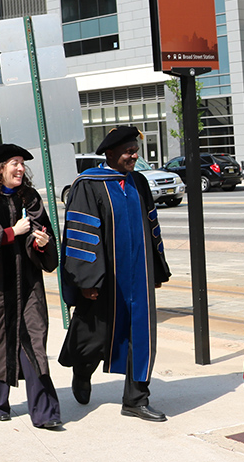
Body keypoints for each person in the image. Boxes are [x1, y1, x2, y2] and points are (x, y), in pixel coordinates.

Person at [58, 125, 171, 422]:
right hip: (104, 279)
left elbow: (152, 227)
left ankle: (136, 399)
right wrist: (87, 281)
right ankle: (82, 371)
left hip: (139, 275)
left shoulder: (139, 182)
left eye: (135, 151)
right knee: (94, 335)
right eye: (128, 151)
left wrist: (156, 269)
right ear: (110, 153)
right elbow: (81, 236)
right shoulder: (89, 184)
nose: (134, 156)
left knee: (142, 335)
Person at [0, 144, 62, 430]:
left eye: (22, 163)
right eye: (14, 163)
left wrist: (41, 243)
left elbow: (43, 233)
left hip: (27, 282)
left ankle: (45, 412)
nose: (20, 168)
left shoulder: (29, 197)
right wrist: (11, 233)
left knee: (34, 340)